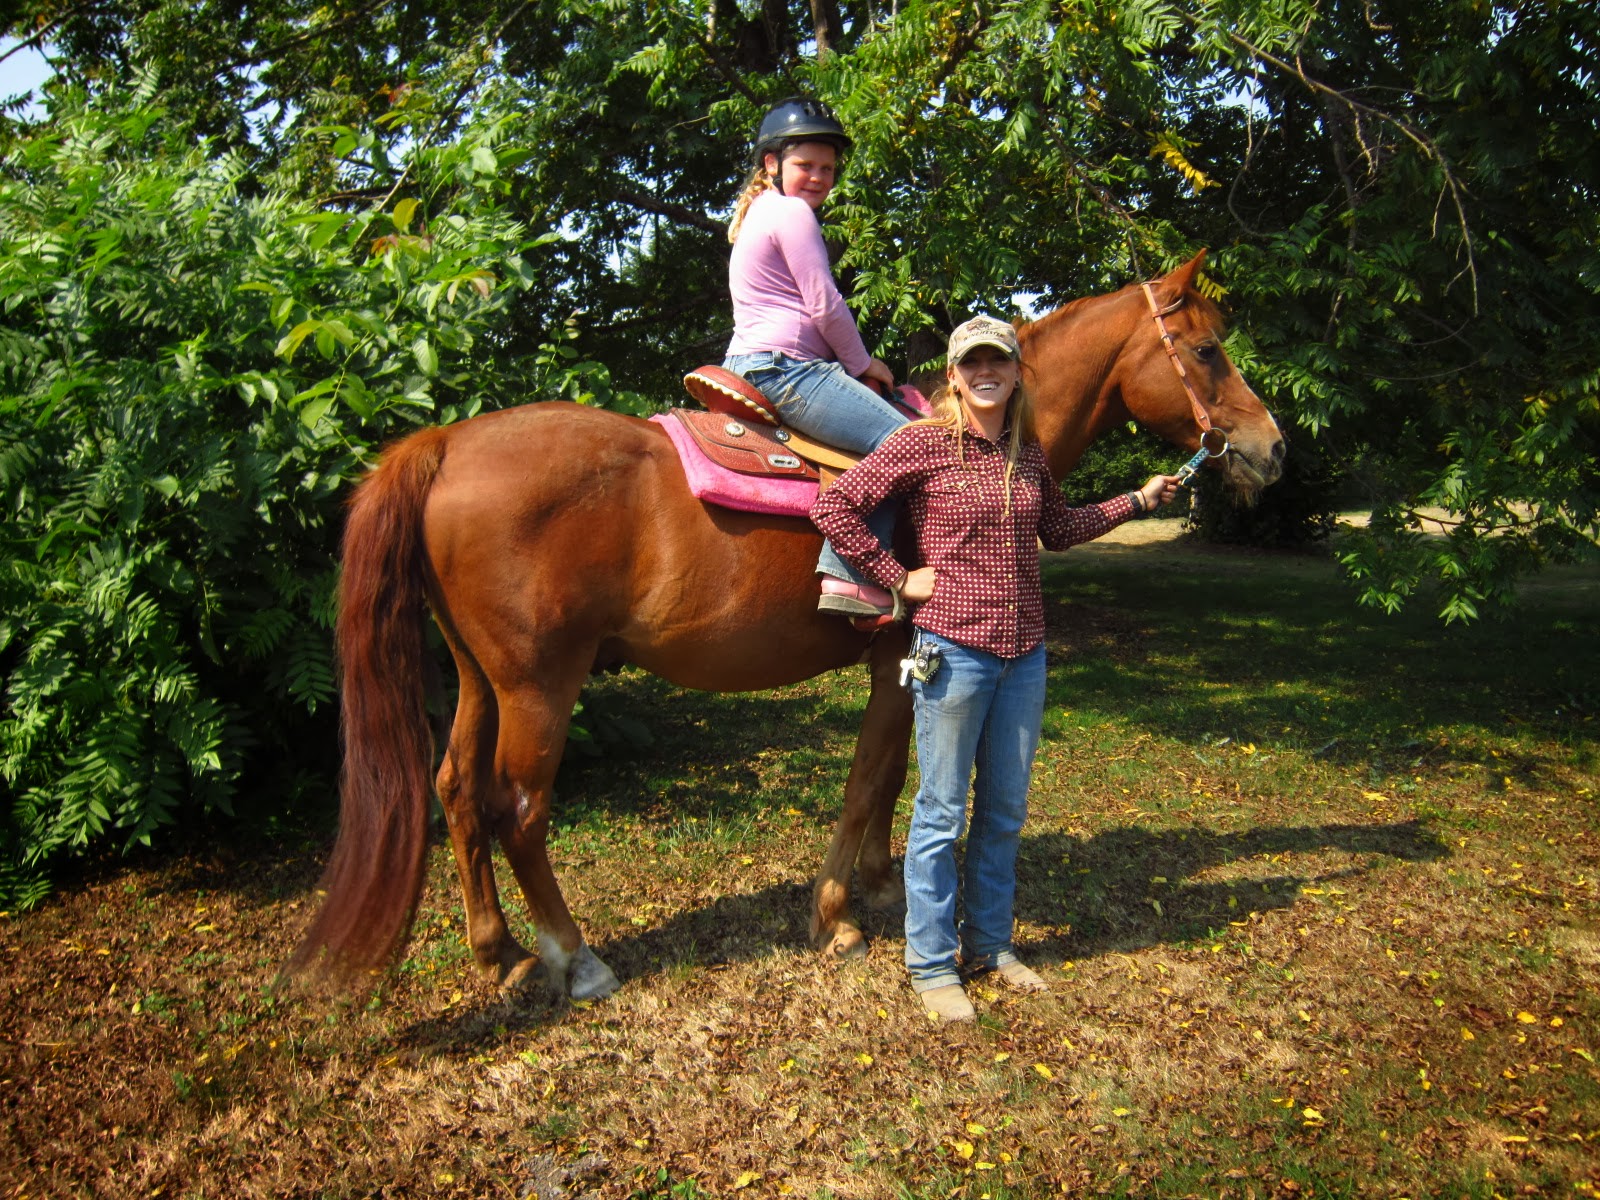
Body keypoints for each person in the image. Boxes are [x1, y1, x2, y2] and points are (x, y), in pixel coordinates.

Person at [810, 315, 1181, 1022]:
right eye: (971, 363)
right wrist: (897, 576)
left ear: (1016, 375)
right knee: (942, 811)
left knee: (1005, 811)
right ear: (953, 376)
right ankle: (930, 963)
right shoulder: (922, 444)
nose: (986, 373)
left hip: (1024, 656)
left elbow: (1061, 531)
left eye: (999, 363)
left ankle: (989, 945)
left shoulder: (1029, 453)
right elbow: (837, 505)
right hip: (951, 653)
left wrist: (1137, 499)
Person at [722, 96, 909, 625]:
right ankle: (847, 573)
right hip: (787, 368)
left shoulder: (760, 213)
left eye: (827, 168)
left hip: (758, 361)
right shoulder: (790, 211)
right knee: (908, 443)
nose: (818, 177)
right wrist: (860, 363)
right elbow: (824, 301)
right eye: (805, 165)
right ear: (771, 164)